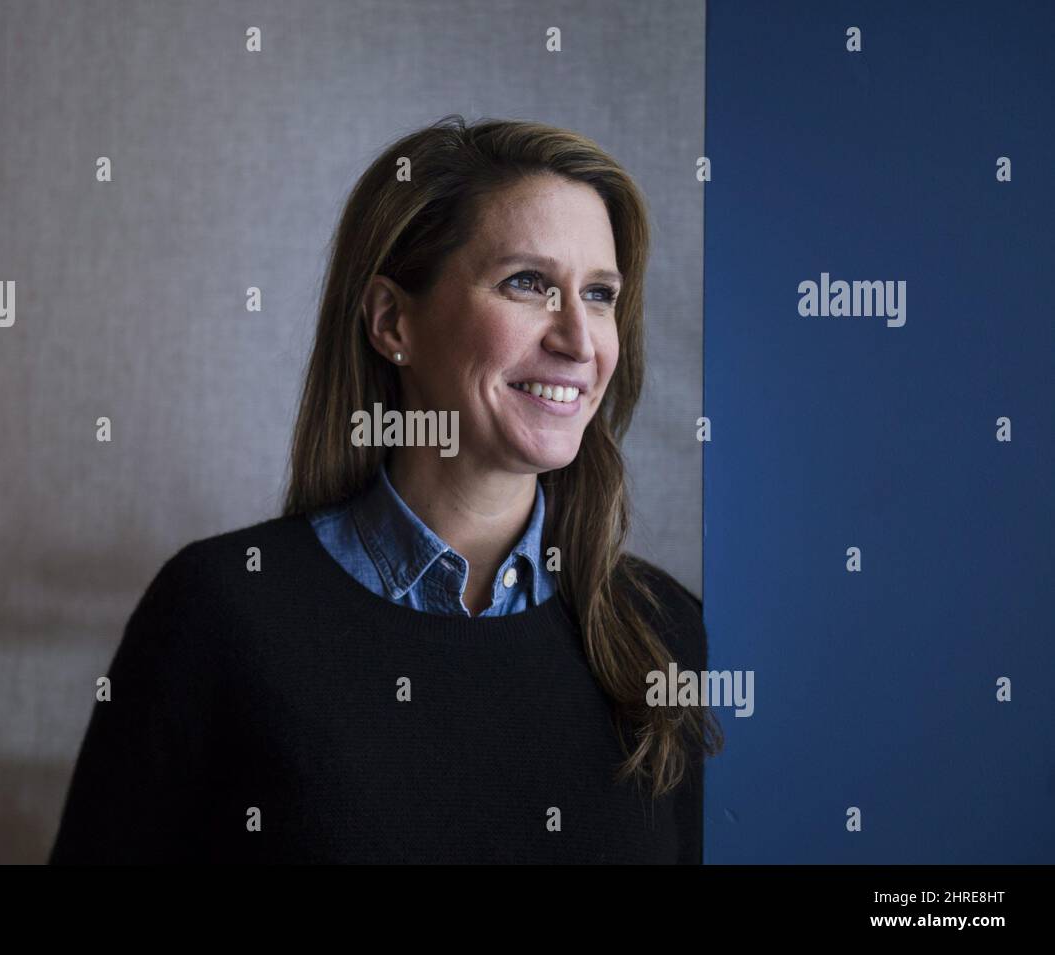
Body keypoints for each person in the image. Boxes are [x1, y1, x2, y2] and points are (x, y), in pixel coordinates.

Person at [49, 114, 722, 864]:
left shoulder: (668, 637)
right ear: (393, 321)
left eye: (599, 294)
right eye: (529, 283)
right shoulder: (219, 612)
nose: (578, 340)